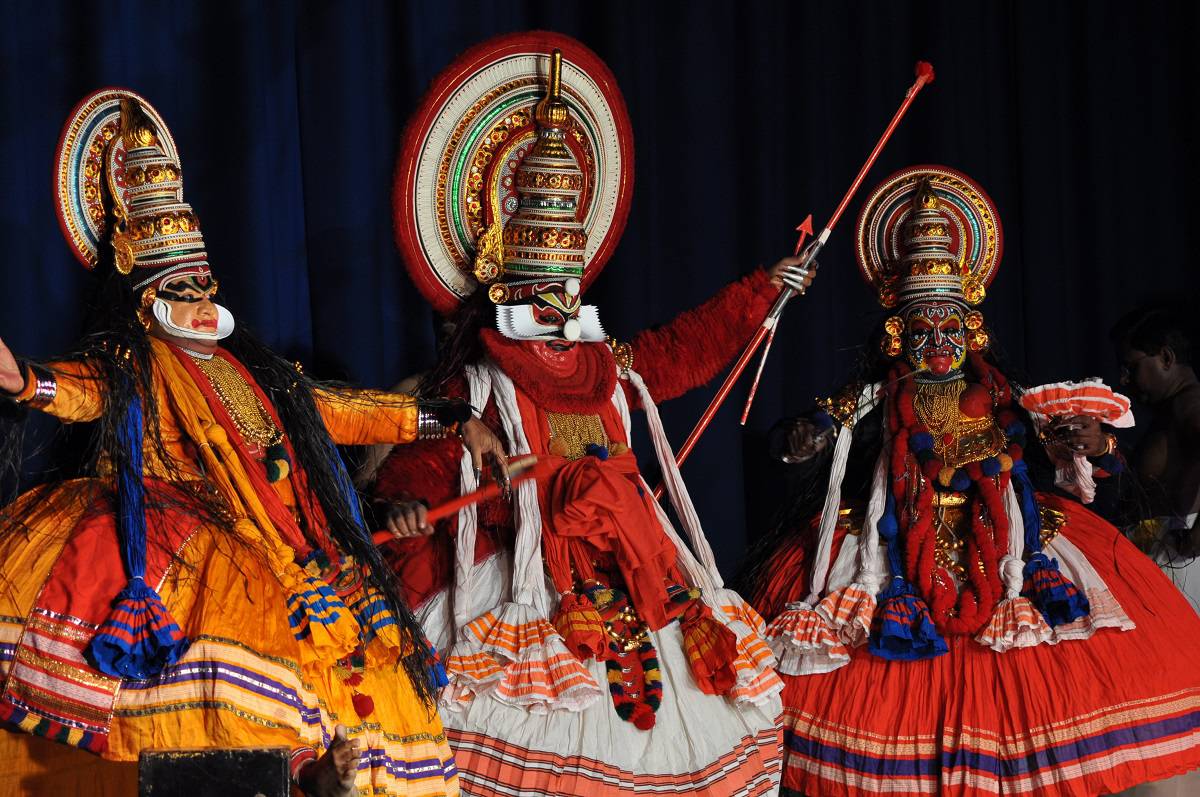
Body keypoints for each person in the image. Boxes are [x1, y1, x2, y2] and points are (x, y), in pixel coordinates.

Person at [0, 89, 505, 796]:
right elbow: (85, 390)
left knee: (360, 661)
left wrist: (448, 419)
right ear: (148, 296)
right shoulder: (138, 363)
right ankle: (307, 773)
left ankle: (324, 772)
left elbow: (344, 411)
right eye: (184, 285)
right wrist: (26, 380)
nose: (204, 297)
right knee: (233, 674)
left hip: (293, 552)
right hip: (198, 546)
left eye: (206, 281)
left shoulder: (255, 368)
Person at [376, 33, 812, 796]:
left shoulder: (611, 369)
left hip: (632, 573)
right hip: (525, 580)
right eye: (538, 292)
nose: (553, 309)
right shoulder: (481, 382)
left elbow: (682, 349)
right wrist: (405, 502)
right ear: (503, 285)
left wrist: (759, 294)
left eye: (564, 291)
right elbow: (435, 456)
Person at [742, 165, 1200, 796]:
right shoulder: (881, 390)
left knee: (1025, 702)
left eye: (950, 329)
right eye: (924, 329)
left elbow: (1083, 454)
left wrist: (1096, 444)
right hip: (892, 547)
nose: (938, 342)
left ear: (971, 329)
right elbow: (805, 432)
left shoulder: (1003, 398)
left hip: (1010, 547)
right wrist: (801, 439)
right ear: (899, 334)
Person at [1110, 305, 1200, 612]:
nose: (1124, 379)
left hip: (1179, 559)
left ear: (1166, 358)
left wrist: (1197, 537)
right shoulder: (1172, 411)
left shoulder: (1191, 405)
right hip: (1162, 552)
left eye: (1132, 367)